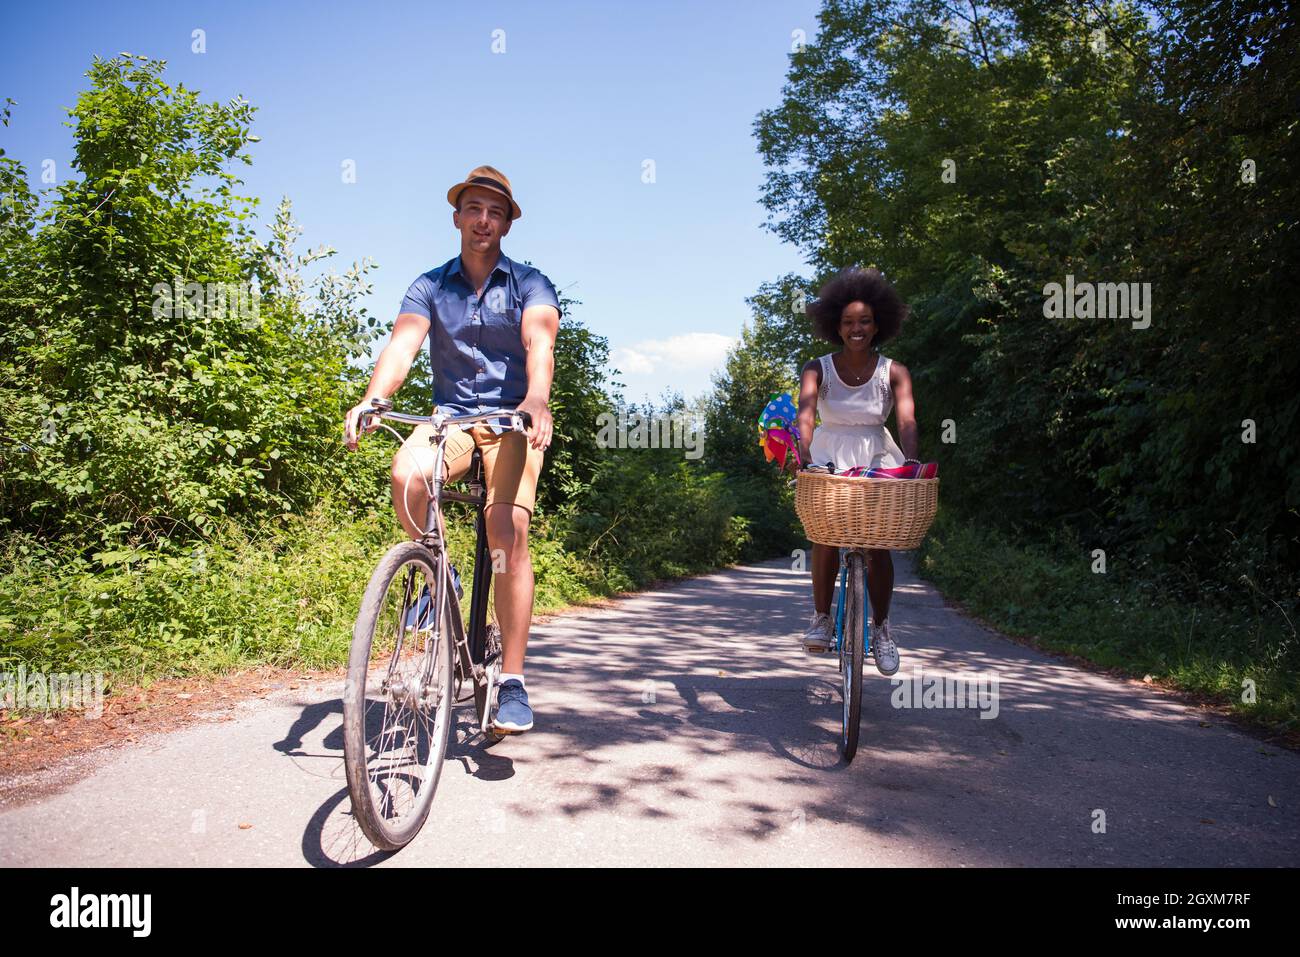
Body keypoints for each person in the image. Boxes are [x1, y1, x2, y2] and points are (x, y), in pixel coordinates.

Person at [343, 165, 561, 734]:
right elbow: (403, 344)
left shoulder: (530, 284)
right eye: (474, 209)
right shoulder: (430, 285)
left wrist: (538, 399)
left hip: (512, 421)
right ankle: (442, 580)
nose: (483, 220)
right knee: (406, 475)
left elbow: (540, 341)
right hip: (453, 419)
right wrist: (373, 398)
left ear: (507, 224)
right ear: (457, 217)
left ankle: (511, 679)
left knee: (506, 533)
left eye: (495, 211)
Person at [788, 267, 920, 675]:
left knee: (878, 543)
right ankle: (822, 618)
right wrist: (803, 450)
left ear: (878, 323)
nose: (856, 328)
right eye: (848, 322)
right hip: (828, 455)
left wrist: (912, 463)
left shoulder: (893, 371)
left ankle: (881, 630)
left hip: (877, 457)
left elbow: (907, 421)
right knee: (825, 535)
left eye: (864, 321)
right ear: (836, 326)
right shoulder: (818, 368)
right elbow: (806, 413)